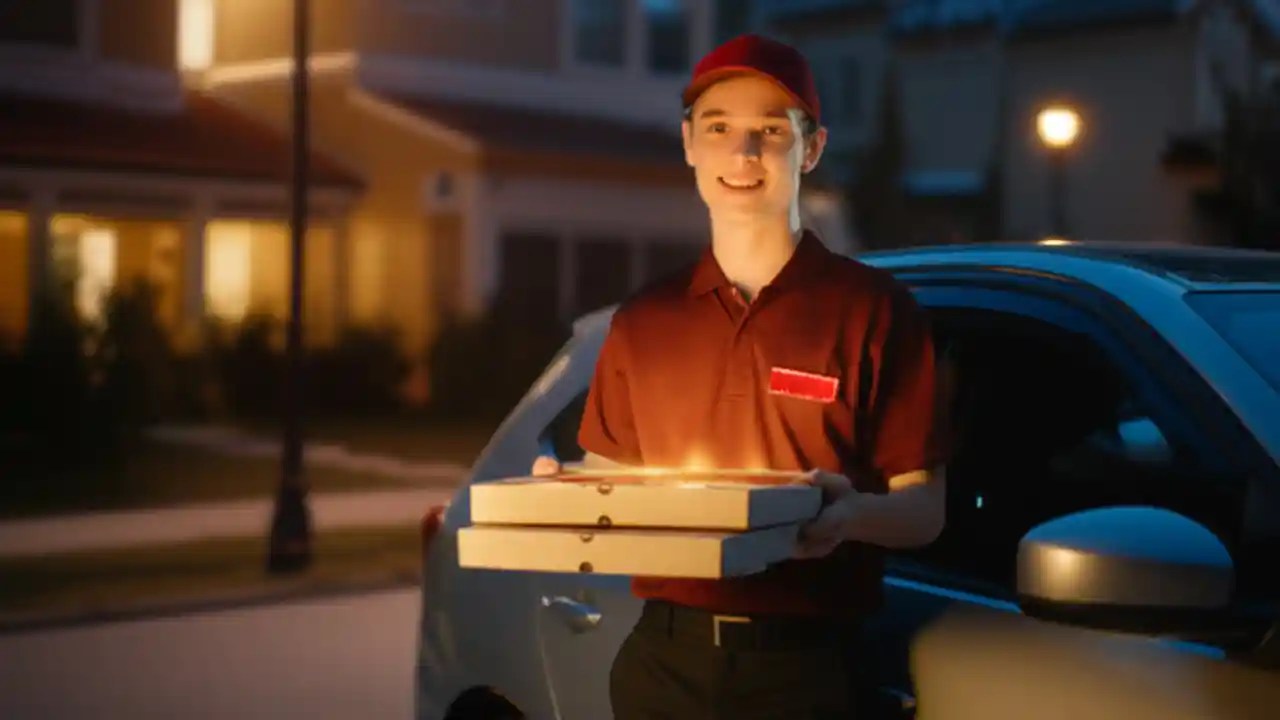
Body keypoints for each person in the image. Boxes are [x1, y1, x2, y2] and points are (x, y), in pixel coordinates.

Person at [531, 33, 949, 720]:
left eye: (769, 131)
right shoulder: (643, 321)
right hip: (663, 663)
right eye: (720, 128)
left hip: (809, 670)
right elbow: (611, 483)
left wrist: (850, 517)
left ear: (811, 148)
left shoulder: (874, 309)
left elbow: (924, 510)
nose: (743, 154)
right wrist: (568, 490)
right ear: (690, 142)